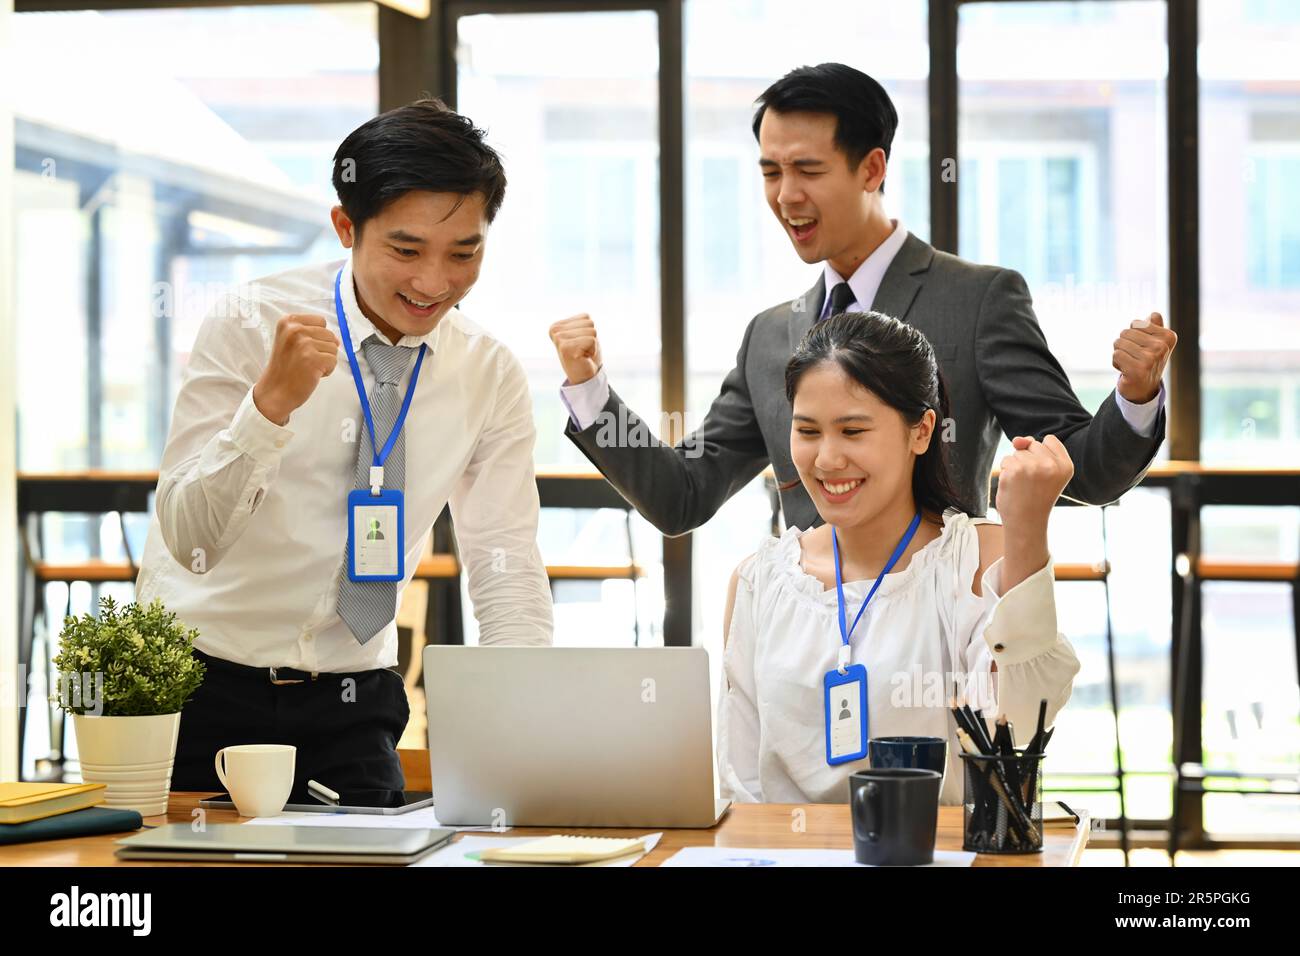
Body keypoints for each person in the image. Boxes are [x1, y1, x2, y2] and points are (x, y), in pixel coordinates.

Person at [549, 63, 1177, 534]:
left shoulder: (980, 299)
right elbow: (682, 495)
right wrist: (590, 391)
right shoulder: (769, 336)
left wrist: (1135, 397)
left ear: (873, 169)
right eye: (771, 172)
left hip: (939, 638)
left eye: (808, 170)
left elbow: (1084, 472)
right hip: (803, 643)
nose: (785, 194)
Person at [137, 99, 553, 801]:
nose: (433, 283)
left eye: (465, 252)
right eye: (405, 249)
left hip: (355, 697)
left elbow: (505, 563)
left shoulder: (488, 372)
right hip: (201, 685)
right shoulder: (250, 324)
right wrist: (268, 409)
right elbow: (188, 535)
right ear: (345, 227)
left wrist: (526, 728)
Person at [717, 311, 1081, 806]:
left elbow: (1017, 723)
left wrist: (1027, 531)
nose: (826, 459)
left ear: (921, 431)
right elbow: (738, 783)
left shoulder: (972, 560)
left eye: (852, 431)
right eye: (807, 431)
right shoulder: (760, 581)